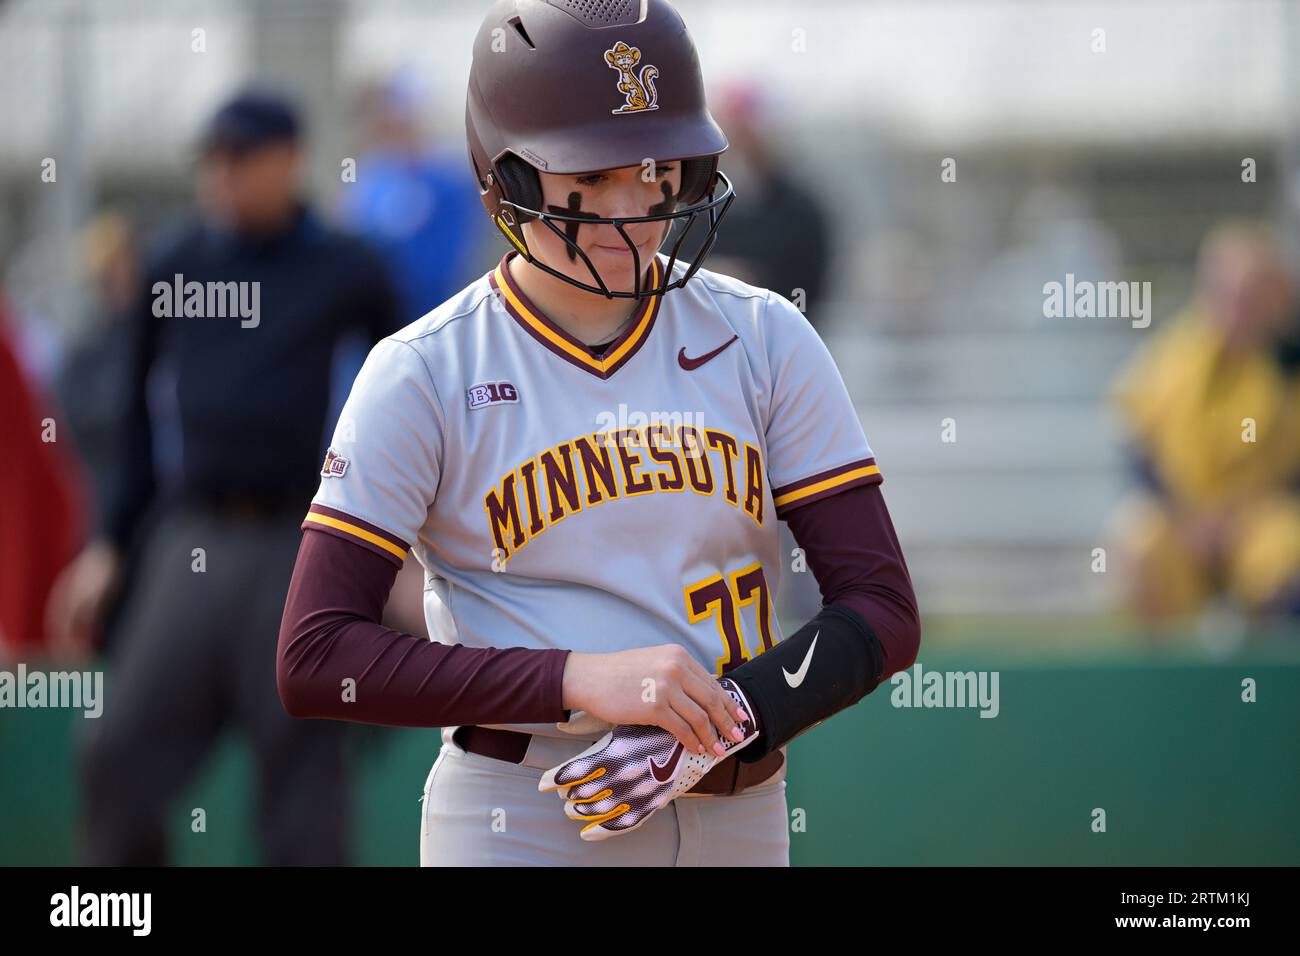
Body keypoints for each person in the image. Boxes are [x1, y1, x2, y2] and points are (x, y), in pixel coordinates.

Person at [278, 0, 920, 866]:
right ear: (506, 178)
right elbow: (316, 653)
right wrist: (577, 680)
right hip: (526, 812)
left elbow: (882, 609)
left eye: (654, 168)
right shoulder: (426, 369)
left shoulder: (764, 335)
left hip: (743, 812)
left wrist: (726, 721)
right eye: (591, 175)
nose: (634, 209)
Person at [48, 88, 402, 864]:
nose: (222, 177)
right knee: (115, 752)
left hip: (300, 540)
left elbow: (412, 404)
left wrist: (397, 546)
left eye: (239, 158)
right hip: (191, 536)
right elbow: (138, 418)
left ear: (289, 160)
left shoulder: (344, 266)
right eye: (212, 160)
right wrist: (109, 543)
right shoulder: (177, 263)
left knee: (304, 774)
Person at [1110, 220, 1300, 627]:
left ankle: (1270, 671)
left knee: (1287, 547)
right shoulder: (1172, 361)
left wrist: (1238, 517)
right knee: (1138, 541)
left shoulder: (1287, 365)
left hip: (1260, 520)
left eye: (1251, 296)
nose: (1237, 308)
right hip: (1185, 522)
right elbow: (1136, 451)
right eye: (1227, 293)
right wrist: (1188, 517)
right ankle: (1168, 675)